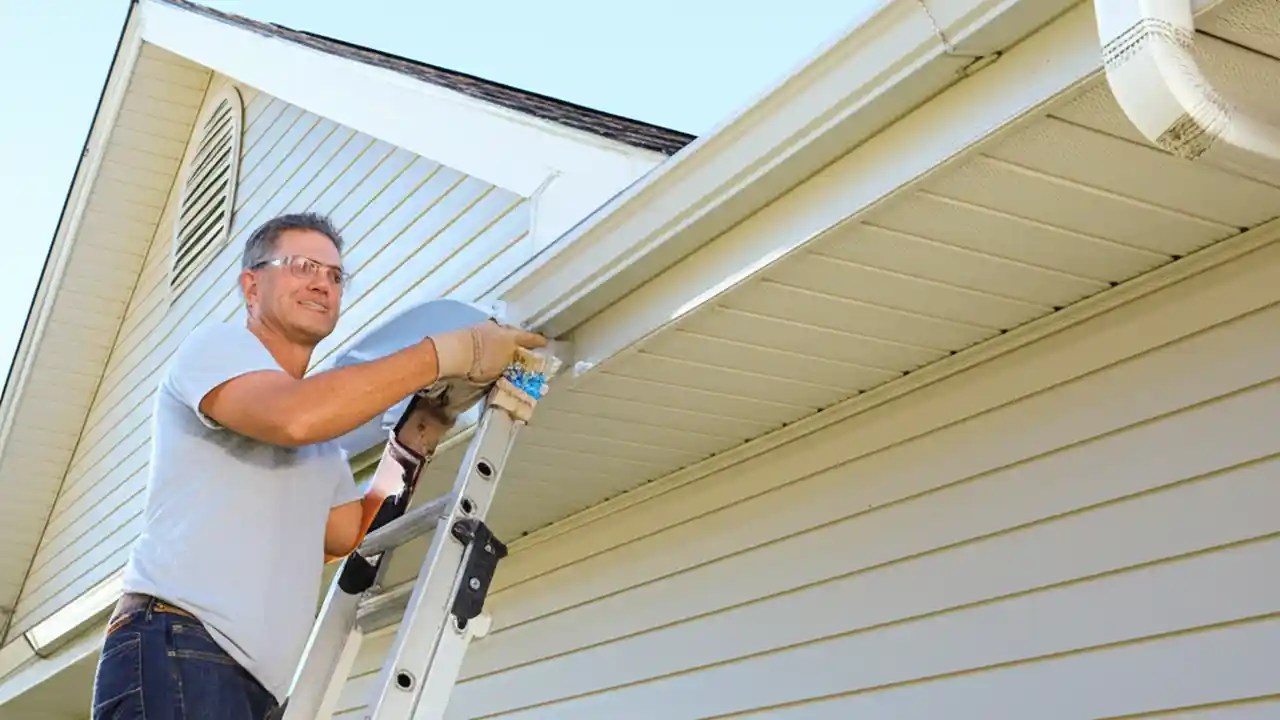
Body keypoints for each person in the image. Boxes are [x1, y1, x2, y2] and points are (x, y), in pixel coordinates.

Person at [89, 212, 545, 719]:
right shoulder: (216, 348)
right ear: (251, 284)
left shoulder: (321, 445)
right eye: (303, 265)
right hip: (178, 644)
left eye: (334, 275)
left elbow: (345, 532)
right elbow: (294, 417)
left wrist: (419, 432)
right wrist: (450, 351)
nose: (323, 284)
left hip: (250, 684)